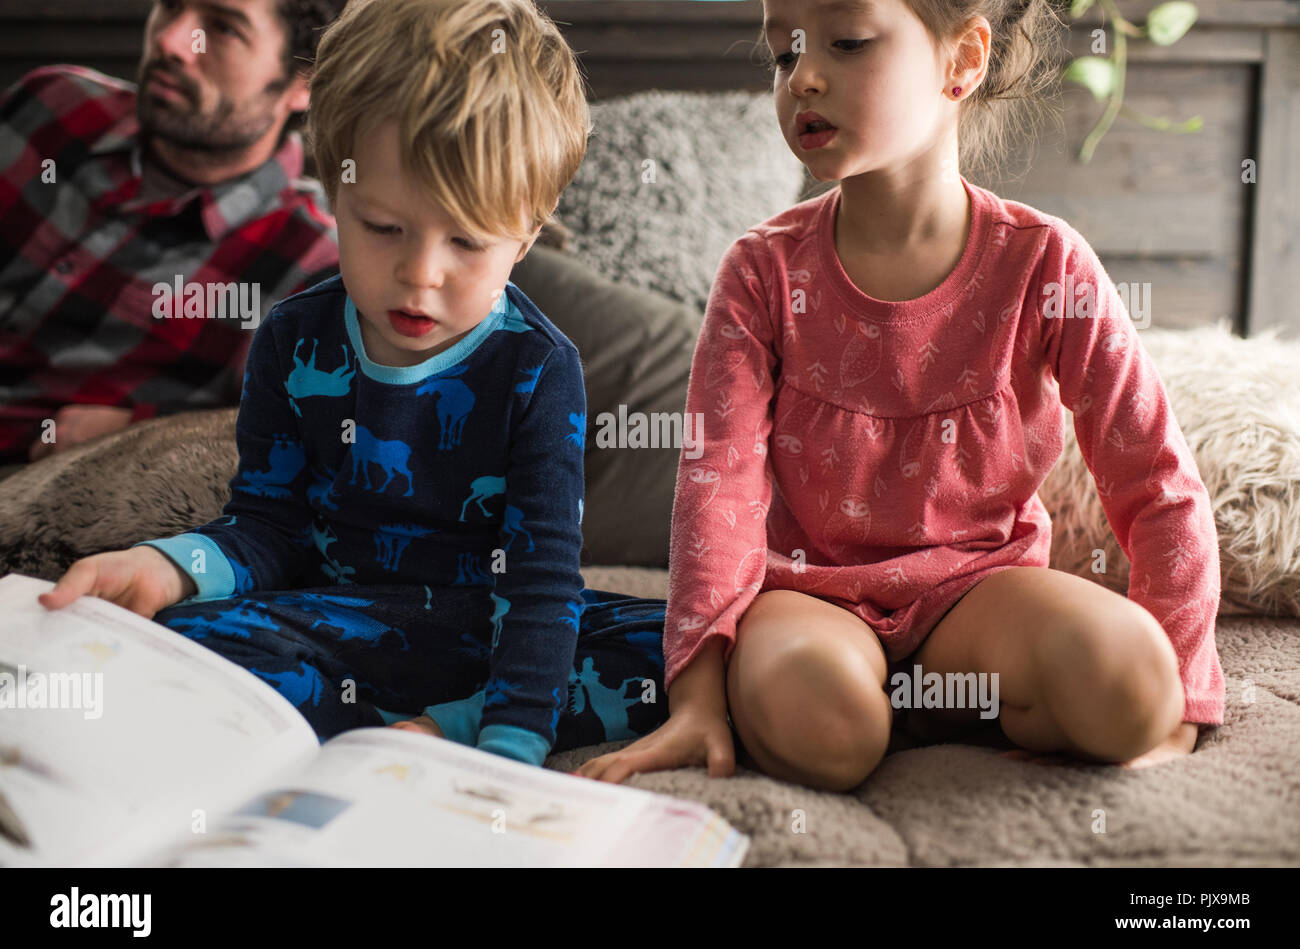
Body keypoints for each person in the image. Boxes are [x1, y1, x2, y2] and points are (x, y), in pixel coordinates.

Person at [574, 0, 1226, 791]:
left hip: (981, 595)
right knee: (829, 732)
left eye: (847, 43)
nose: (804, 77)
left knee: (1132, 684)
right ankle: (914, 709)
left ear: (962, 61)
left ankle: (978, 698)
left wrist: (1184, 696)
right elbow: (717, 490)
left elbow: (1154, 477)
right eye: (786, 55)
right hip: (809, 594)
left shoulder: (1046, 261)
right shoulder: (760, 272)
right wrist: (697, 695)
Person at [38, 0, 669, 767]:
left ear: (528, 235)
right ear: (334, 192)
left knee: (668, 643)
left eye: (467, 241)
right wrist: (167, 564)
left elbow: (541, 583)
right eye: (383, 227)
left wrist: (502, 748)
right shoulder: (292, 335)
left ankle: (457, 718)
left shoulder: (539, 367)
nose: (420, 273)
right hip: (334, 621)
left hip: (492, 628)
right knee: (179, 643)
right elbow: (268, 527)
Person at [0, 0, 346, 472]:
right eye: (171, 7)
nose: (170, 41)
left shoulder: (311, 266)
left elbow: (288, 444)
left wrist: (141, 429)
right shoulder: (51, 102)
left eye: (223, 29)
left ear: (303, 83)